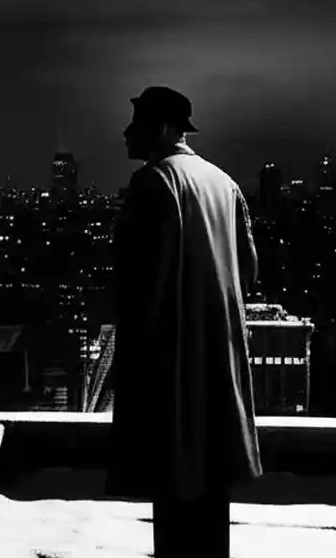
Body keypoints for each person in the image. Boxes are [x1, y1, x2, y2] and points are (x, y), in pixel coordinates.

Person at [105, 86, 263, 558]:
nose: (127, 131)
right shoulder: (223, 183)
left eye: (138, 122)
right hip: (220, 358)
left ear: (165, 129)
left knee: (173, 492)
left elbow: (139, 284)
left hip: (171, 361)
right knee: (213, 497)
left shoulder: (153, 184)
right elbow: (248, 270)